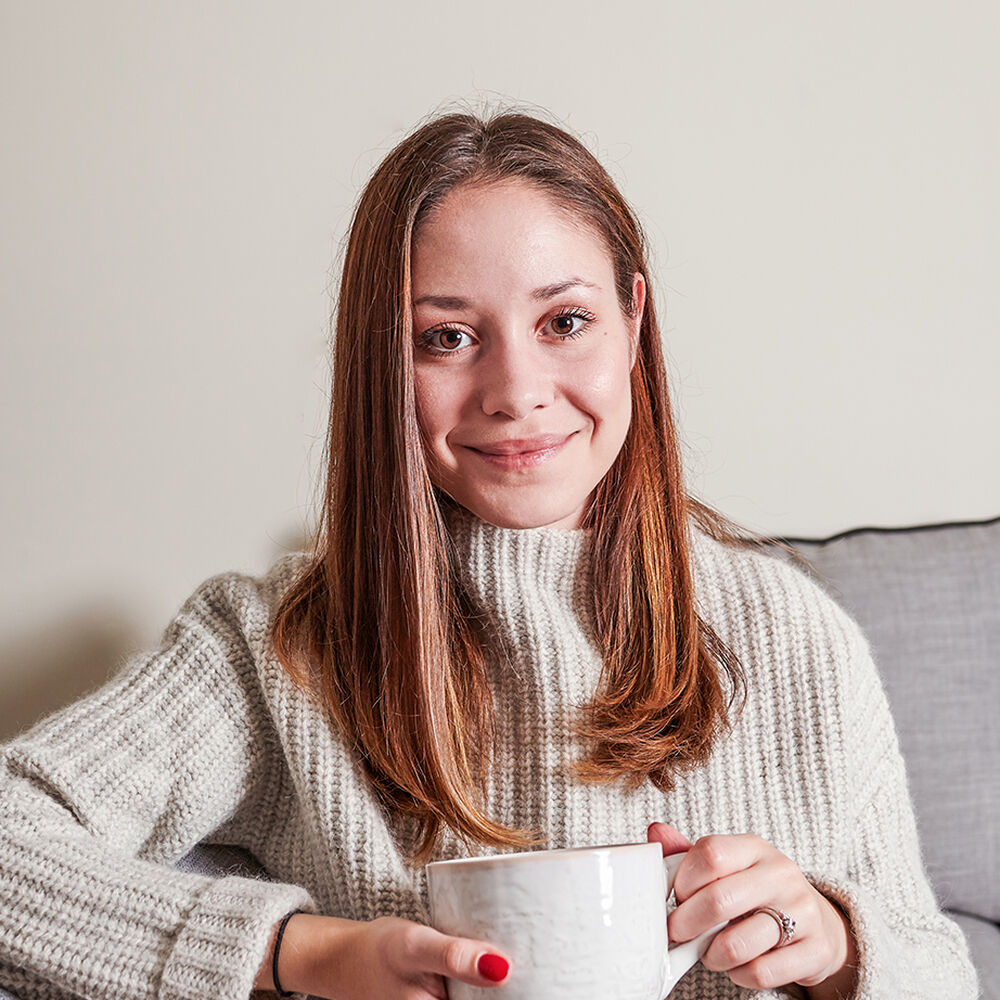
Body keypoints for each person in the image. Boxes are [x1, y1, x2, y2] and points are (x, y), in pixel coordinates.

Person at [0, 107, 978, 1000]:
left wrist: (837, 945)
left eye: (564, 321)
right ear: (381, 363)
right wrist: (296, 953)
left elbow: (939, 968)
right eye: (447, 337)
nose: (515, 389)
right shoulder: (267, 643)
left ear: (633, 322)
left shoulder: (793, 632)